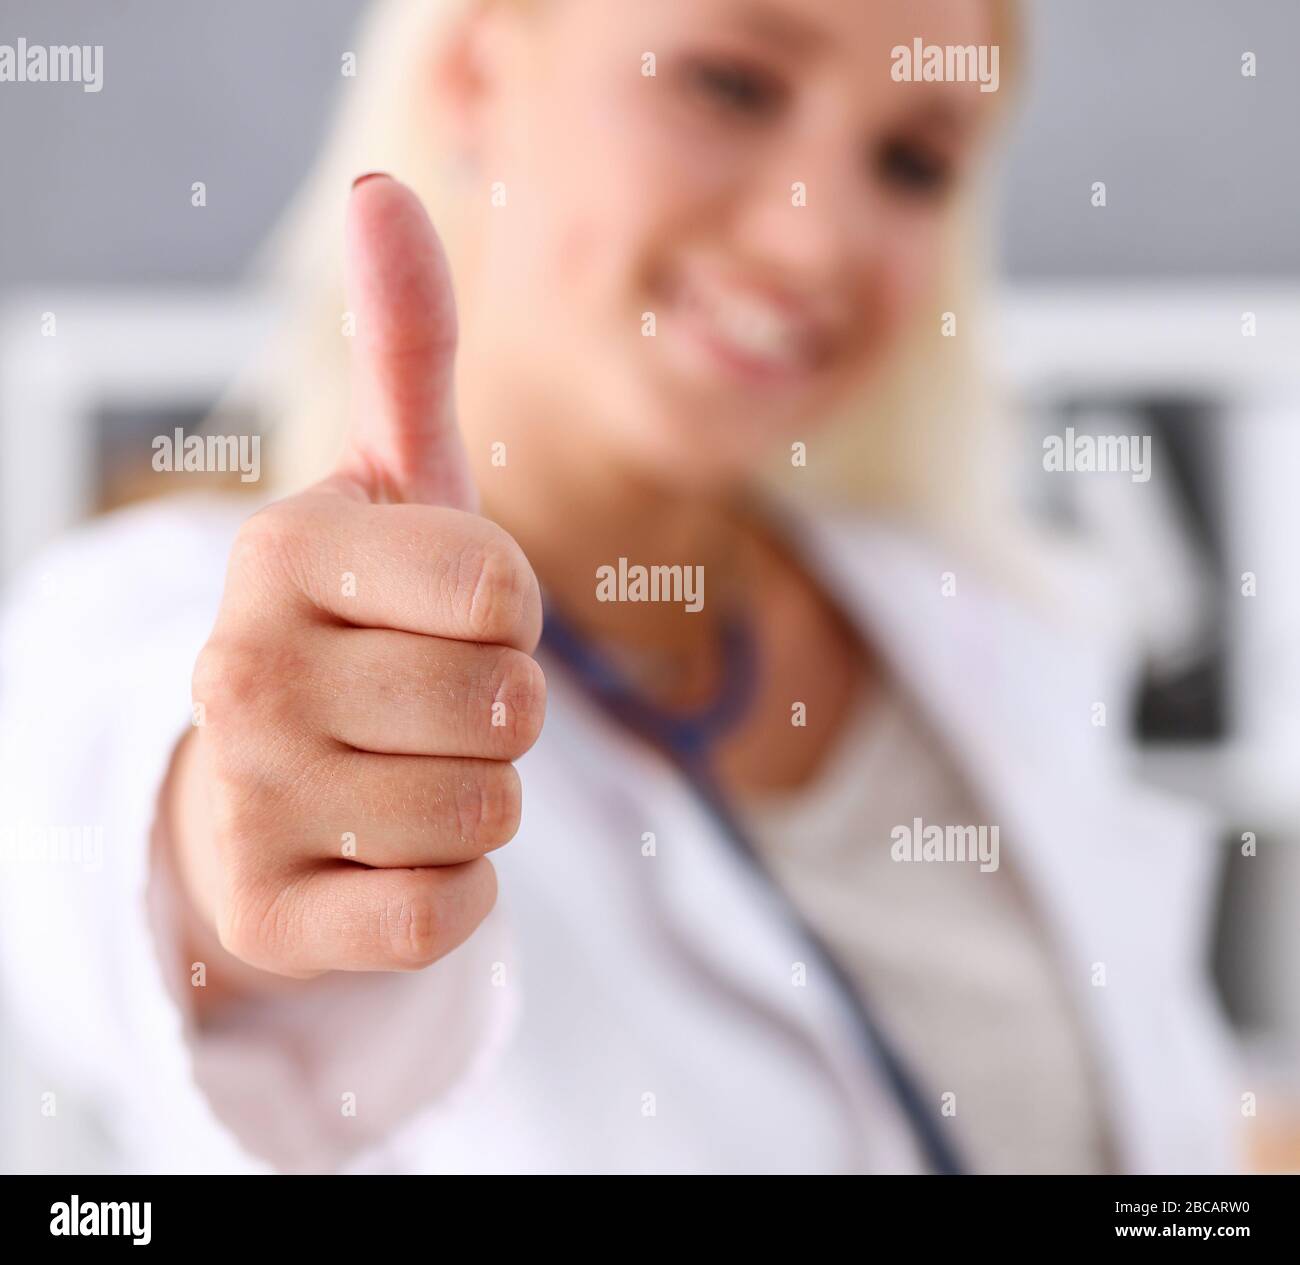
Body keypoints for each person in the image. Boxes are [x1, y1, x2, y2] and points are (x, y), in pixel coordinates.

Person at [0, 0, 1239, 1174]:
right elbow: (129, 862)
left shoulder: (987, 621)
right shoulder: (164, 619)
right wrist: (245, 835)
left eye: (912, 161)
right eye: (730, 83)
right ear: (477, 72)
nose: (815, 240)